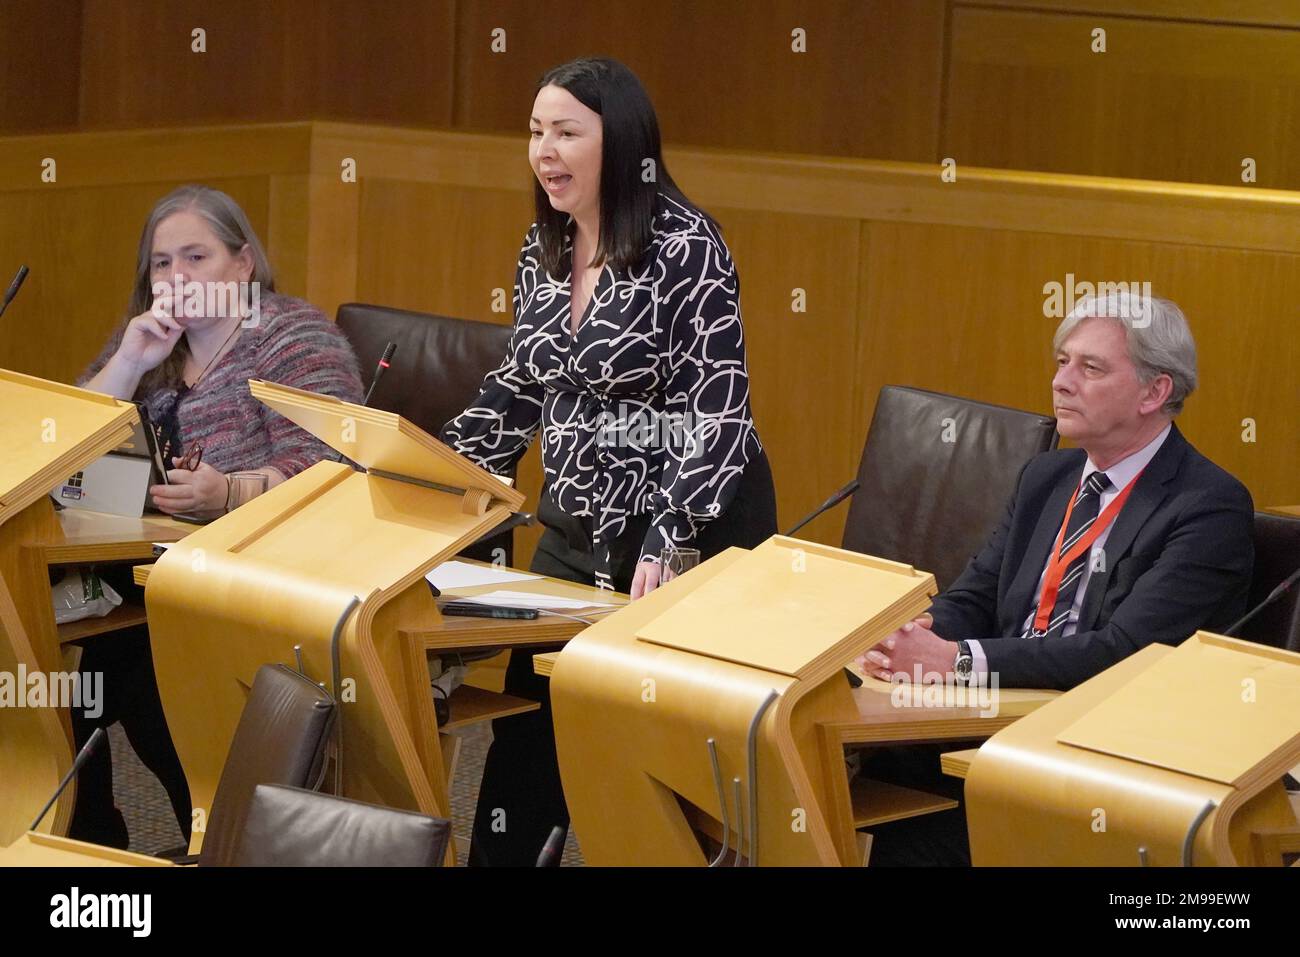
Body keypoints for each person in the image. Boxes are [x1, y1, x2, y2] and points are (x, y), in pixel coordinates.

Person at [441, 57, 777, 865]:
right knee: (530, 742)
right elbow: (522, 381)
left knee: (671, 767)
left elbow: (718, 409)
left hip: (690, 528)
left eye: (566, 132)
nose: (544, 151)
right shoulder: (545, 245)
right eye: (534, 132)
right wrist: (435, 470)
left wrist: (670, 533)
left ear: (619, 142)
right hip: (575, 524)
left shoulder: (687, 246)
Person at [857, 291, 1254, 865]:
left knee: (892, 848)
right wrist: (911, 642)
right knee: (836, 795)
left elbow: (1127, 654)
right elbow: (975, 595)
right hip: (985, 732)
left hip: (1089, 767)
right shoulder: (1048, 476)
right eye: (1062, 361)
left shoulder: (1207, 505)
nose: (1061, 381)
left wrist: (960, 662)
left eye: (1090, 367)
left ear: (1155, 391)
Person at [71, 184, 364, 849]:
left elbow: (330, 475)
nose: (176, 277)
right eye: (161, 263)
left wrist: (227, 493)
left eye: (196, 257)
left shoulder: (291, 335)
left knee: (143, 685)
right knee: (59, 689)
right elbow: (67, 451)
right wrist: (127, 364)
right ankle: (93, 845)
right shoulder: (148, 343)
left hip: (252, 584)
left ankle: (218, 845)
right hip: (142, 577)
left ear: (243, 264)